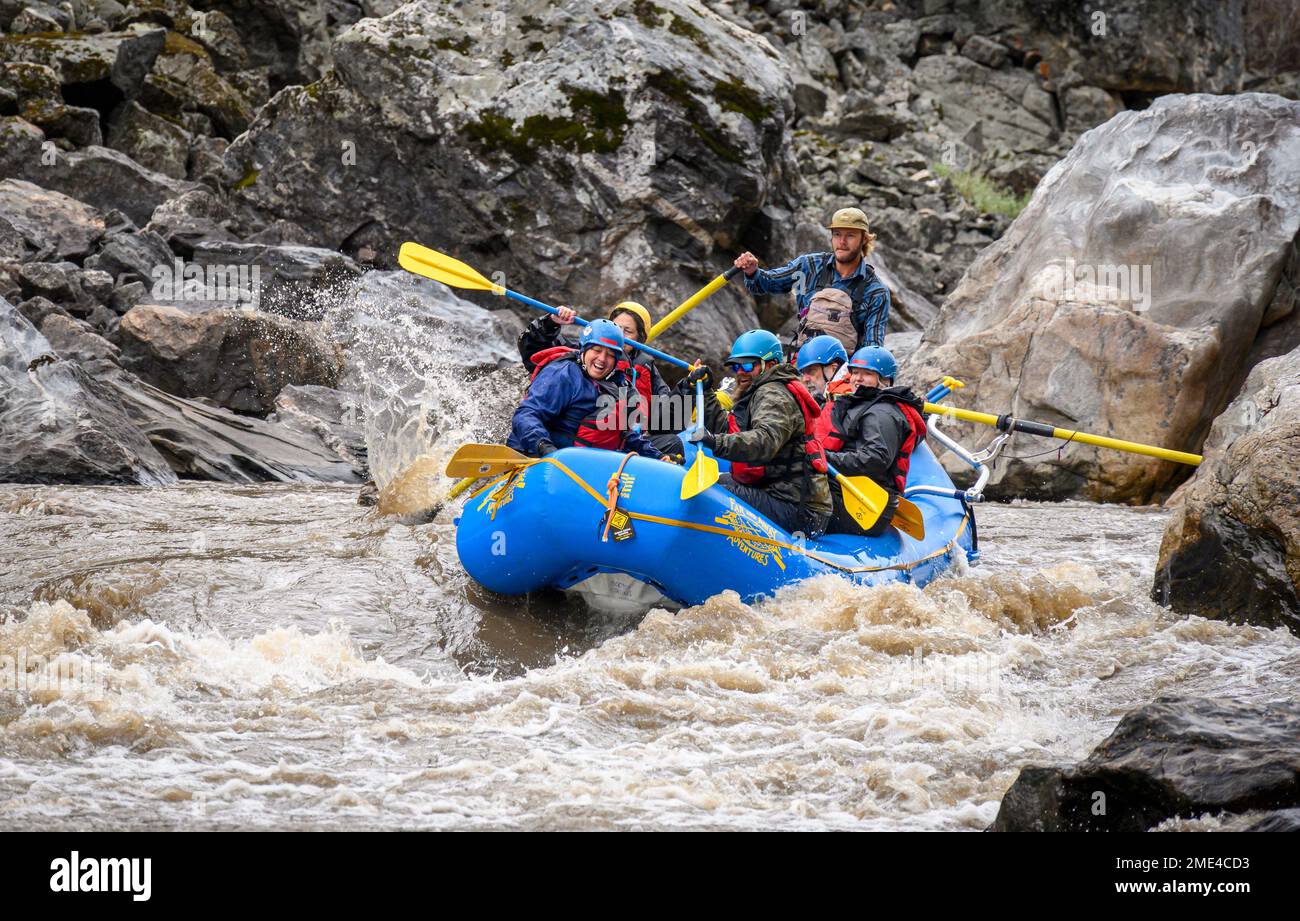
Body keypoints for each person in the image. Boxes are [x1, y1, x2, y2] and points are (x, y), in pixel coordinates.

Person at [686, 329, 832, 538]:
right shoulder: (762, 389)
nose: (740, 372)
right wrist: (707, 393)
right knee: (720, 480)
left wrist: (714, 442)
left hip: (798, 509)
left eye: (747, 365)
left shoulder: (773, 393)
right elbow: (730, 431)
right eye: (736, 366)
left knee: (709, 494)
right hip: (776, 494)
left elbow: (765, 441)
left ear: (770, 364)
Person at [517, 301, 683, 452]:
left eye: (628, 331)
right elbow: (532, 349)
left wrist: (688, 387)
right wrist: (550, 323)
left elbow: (667, 420)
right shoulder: (573, 363)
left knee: (672, 443)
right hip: (566, 449)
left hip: (613, 443)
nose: (602, 358)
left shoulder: (630, 375)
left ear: (640, 338)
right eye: (617, 328)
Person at [734, 207, 891, 355]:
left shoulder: (876, 292)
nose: (842, 241)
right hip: (803, 362)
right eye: (837, 234)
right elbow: (766, 283)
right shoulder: (808, 266)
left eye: (850, 235)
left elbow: (873, 347)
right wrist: (752, 271)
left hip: (844, 374)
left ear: (864, 239)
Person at [814, 346, 926, 537]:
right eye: (855, 372)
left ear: (884, 380)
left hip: (864, 507)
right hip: (848, 492)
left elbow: (875, 460)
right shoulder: (868, 404)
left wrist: (824, 457)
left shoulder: (881, 413)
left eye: (867, 374)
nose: (857, 379)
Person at [795, 334, 850, 406]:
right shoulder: (827, 398)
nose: (805, 379)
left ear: (834, 368)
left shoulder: (846, 399)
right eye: (803, 373)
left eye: (810, 371)